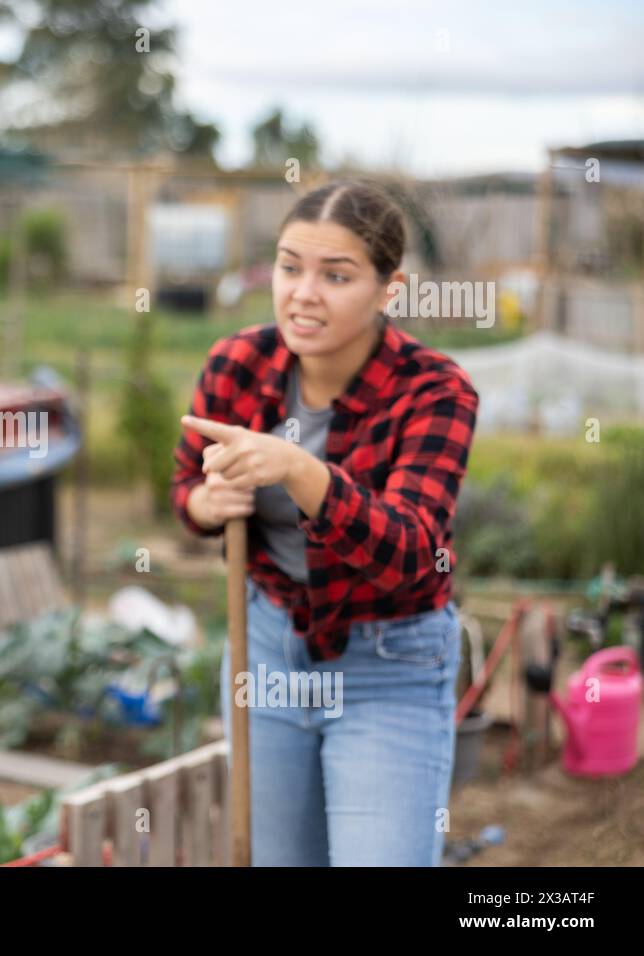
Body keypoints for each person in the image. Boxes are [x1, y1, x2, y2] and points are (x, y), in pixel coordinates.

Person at [171, 180, 480, 866]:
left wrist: (296, 467)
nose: (303, 293)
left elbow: (410, 552)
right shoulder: (237, 364)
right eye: (289, 267)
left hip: (389, 664)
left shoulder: (434, 391)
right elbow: (187, 489)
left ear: (388, 290)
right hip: (267, 650)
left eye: (336, 275)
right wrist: (205, 505)